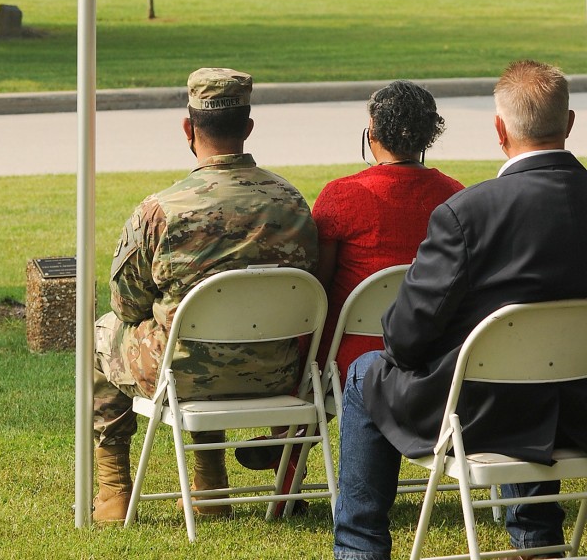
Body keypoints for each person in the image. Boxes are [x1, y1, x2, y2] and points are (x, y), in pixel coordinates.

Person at [333, 60, 587, 560]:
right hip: (578, 410)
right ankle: (538, 543)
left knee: (366, 373)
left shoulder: (468, 213)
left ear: (500, 130)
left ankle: (359, 549)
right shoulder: (464, 206)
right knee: (529, 378)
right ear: (570, 124)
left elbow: (404, 339)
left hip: (486, 413)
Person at [92, 67, 319, 523]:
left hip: (183, 375)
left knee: (104, 332)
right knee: (190, 333)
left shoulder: (161, 210)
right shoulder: (292, 203)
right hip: (275, 371)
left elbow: (126, 304)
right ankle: (207, 483)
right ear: (249, 127)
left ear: (188, 128)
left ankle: (113, 491)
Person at [313, 81, 464, 383]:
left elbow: (319, 288)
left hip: (350, 357)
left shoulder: (341, 195)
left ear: (373, 134)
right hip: (434, 354)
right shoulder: (456, 197)